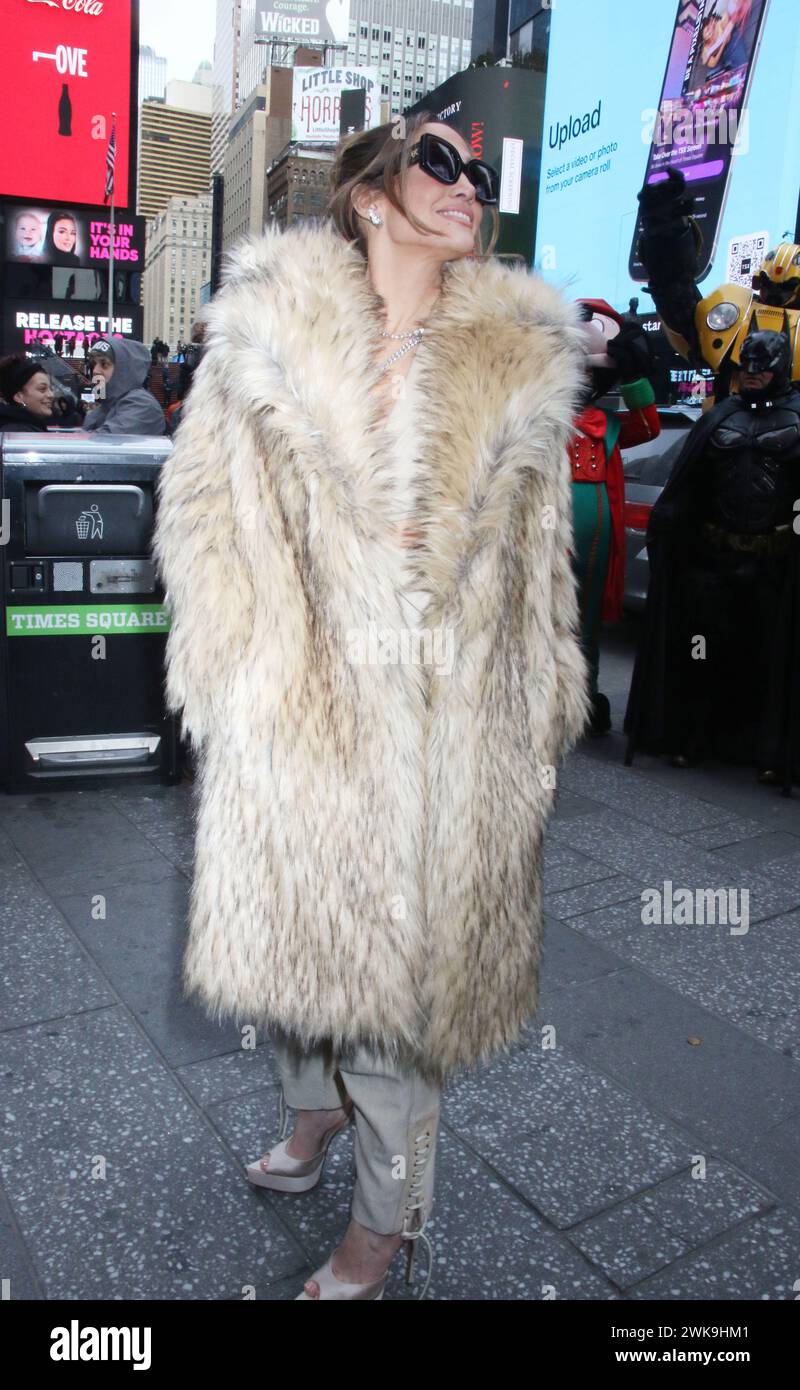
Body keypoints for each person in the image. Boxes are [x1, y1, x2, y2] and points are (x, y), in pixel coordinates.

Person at [152, 110, 590, 1302]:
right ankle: (310, 1115)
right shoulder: (264, 338)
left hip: (450, 735)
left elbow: (542, 571)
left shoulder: (518, 361)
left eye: (480, 175)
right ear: (370, 194)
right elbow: (199, 530)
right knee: (301, 954)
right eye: (439, 162)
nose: (466, 187)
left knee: (399, 1014)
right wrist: (242, 690)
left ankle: (382, 1227)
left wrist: (539, 711)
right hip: (306, 708)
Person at [624, 327, 800, 792]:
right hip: (713, 560)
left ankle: (768, 753)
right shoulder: (718, 417)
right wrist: (669, 525)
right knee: (702, 649)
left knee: (769, 657)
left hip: (774, 564)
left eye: (763, 367)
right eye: (748, 367)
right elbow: (690, 485)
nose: (754, 375)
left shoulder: (798, 417)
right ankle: (693, 737)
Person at [570, 301, 661, 735]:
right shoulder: (533, 413)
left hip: (595, 540)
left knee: (585, 621)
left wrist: (633, 373)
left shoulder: (606, 422)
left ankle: (583, 695)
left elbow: (648, 427)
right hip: (541, 534)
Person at [83, 337, 166, 435]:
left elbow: (103, 443)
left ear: (122, 369)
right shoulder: (107, 404)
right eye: (94, 364)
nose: (95, 370)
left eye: (104, 364)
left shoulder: (142, 405)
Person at [0, 354, 55, 430]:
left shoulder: (26, 427)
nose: (51, 395)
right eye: (42, 389)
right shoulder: (18, 432)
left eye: (51, 389)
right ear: (19, 396)